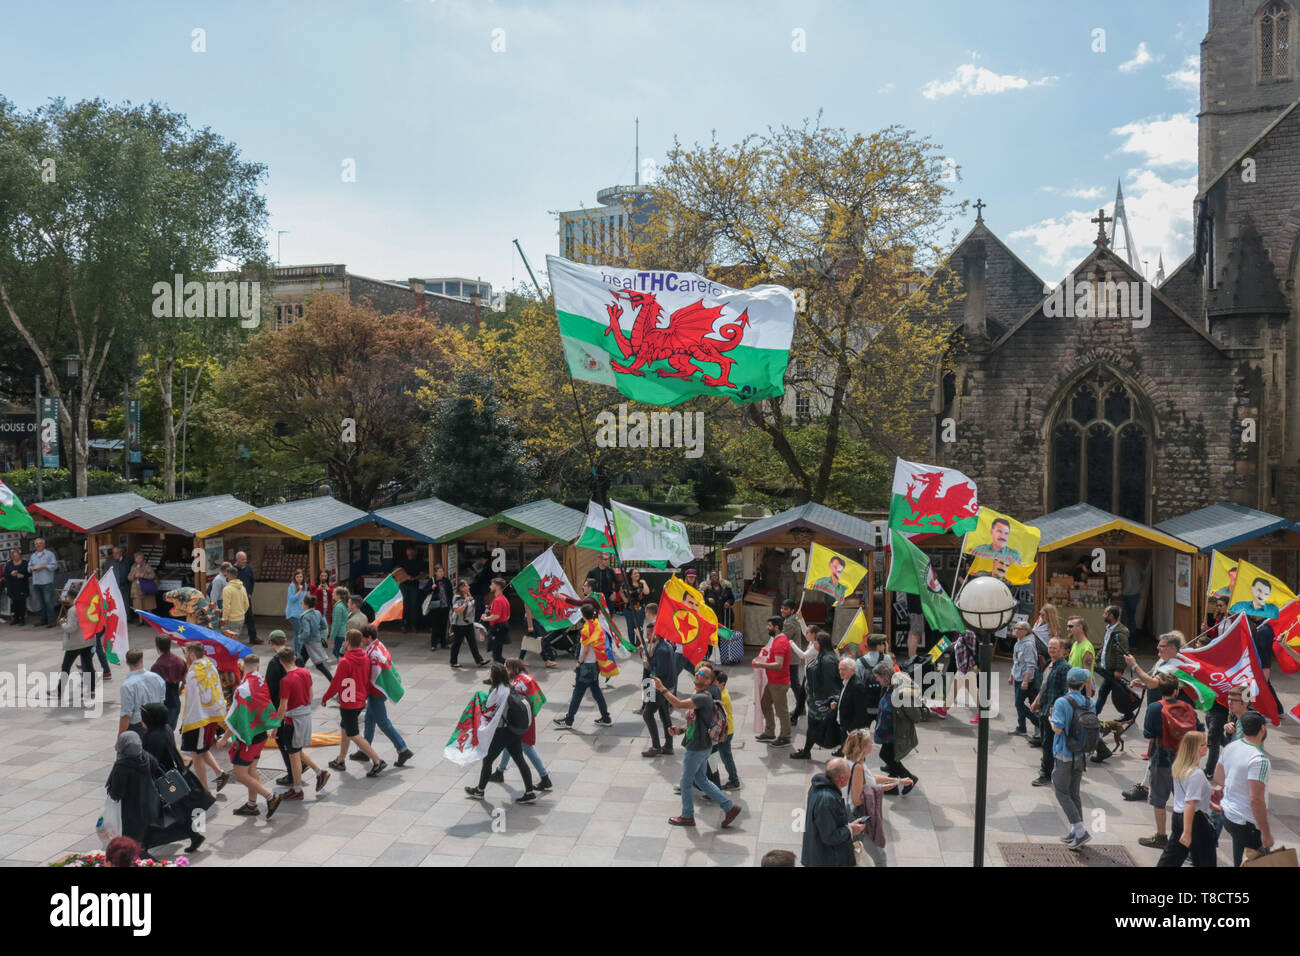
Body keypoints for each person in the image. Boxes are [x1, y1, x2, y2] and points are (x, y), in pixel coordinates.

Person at [653, 662, 741, 829]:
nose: (697, 674)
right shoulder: (700, 696)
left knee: (686, 781)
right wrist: (679, 730)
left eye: (702, 673)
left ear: (708, 681)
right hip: (701, 744)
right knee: (701, 779)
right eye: (698, 671)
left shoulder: (703, 697)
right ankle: (730, 807)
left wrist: (662, 689)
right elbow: (694, 722)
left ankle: (687, 816)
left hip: (698, 747)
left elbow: (678, 704)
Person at [1138, 674, 1201, 850]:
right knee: (1186, 800)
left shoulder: (1154, 708)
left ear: (1160, 690)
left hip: (1162, 761)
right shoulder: (1188, 708)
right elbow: (1200, 730)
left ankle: (1161, 836)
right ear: (1177, 690)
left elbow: (1148, 734)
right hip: (1185, 761)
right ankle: (1189, 836)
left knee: (1159, 800)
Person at [139, 701, 211, 854]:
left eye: (143, 718)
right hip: (171, 778)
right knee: (178, 812)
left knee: (155, 814)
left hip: (162, 780)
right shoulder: (164, 729)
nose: (141, 721)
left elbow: (153, 762)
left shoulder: (154, 737)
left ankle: (143, 847)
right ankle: (194, 836)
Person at [216, 655, 284, 819]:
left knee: (240, 773)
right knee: (252, 769)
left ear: (242, 667)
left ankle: (270, 796)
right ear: (258, 667)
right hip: (260, 732)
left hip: (248, 737)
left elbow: (237, 718)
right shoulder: (260, 680)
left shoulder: (243, 689)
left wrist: (224, 738)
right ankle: (252, 805)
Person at [464, 662, 538, 803]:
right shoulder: (510, 686)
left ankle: (479, 791)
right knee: (520, 760)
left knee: (488, 760)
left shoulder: (496, 692)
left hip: (503, 731)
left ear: (495, 677)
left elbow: (488, 712)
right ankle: (529, 792)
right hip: (513, 730)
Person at [322, 630, 386, 776]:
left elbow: (336, 683)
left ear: (347, 642)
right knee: (345, 728)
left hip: (348, 703)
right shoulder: (365, 657)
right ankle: (340, 760)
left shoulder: (345, 661)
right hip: (360, 700)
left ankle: (377, 760)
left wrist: (326, 697)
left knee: (353, 734)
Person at [1213, 711, 1273, 867]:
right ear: (1262, 729)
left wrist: (1235, 785)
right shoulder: (1259, 759)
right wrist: (1266, 834)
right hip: (1248, 821)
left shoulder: (1231, 747)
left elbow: (1218, 777)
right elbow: (1256, 800)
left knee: (1240, 859)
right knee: (1258, 862)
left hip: (1229, 814)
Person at [350, 623, 415, 766]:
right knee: (369, 720)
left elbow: (370, 675)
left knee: (383, 722)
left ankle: (403, 749)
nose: (361, 641)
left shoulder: (372, 653)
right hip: (380, 690)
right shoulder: (378, 646)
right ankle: (365, 750)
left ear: (369, 638)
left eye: (363, 638)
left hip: (376, 692)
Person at [842, 728, 909, 867]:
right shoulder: (857, 767)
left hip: (847, 814)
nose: (872, 743)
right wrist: (879, 790)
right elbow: (857, 799)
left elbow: (870, 779)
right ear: (862, 747)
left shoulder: (849, 761)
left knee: (853, 856)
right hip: (857, 816)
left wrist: (897, 781)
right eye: (869, 742)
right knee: (880, 857)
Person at [272, 648, 329, 800]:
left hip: (293, 722)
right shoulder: (305, 672)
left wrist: (276, 727)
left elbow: (282, 707)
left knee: (293, 756)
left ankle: (297, 790)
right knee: (297, 751)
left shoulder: (286, 680)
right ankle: (320, 773)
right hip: (305, 717)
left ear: (280, 661)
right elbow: (310, 697)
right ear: (295, 658)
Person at [1050, 667, 1096, 850]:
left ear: (1068, 683)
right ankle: (1075, 830)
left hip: (1064, 753)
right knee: (1074, 792)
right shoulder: (1089, 701)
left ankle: (1080, 831)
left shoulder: (1062, 702)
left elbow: (1058, 729)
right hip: (1081, 753)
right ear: (1082, 683)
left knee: (1061, 791)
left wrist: (1050, 719)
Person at [488, 659, 553, 790]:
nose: (505, 671)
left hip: (520, 720)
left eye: (506, 668)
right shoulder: (526, 678)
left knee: (527, 748)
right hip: (526, 717)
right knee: (509, 744)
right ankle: (500, 772)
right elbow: (539, 698)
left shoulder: (516, 682)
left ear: (512, 668)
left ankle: (545, 777)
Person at [1157, 731, 1216, 867]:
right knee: (1205, 860)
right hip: (1195, 820)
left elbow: (1188, 796)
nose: (1206, 747)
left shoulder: (1179, 768)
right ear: (1195, 748)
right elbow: (1190, 802)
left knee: (1171, 857)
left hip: (1179, 816)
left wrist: (1211, 804)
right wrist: (1188, 831)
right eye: (1203, 745)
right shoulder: (1197, 774)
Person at [179, 642, 231, 795]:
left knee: (196, 753)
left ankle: (204, 789)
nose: (185, 656)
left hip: (199, 719)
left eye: (186, 653)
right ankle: (220, 773)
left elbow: (193, 700)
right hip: (210, 716)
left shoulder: (195, 672)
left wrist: (187, 721)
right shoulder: (209, 665)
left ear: (192, 655)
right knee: (202, 750)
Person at [553, 600, 613, 729]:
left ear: (583, 615)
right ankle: (606, 717)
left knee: (578, 694)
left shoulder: (586, 629)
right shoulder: (597, 625)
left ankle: (569, 720)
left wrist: (579, 663)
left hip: (586, 665)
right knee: (596, 692)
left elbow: (585, 650)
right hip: (595, 664)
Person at [800, 756, 865, 867]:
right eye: (850, 774)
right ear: (842, 778)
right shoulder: (827, 800)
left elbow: (825, 824)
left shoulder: (817, 788)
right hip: (826, 860)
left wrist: (848, 826)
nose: (851, 776)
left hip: (817, 855)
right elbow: (829, 836)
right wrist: (851, 830)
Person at [105, 731, 163, 849]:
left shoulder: (121, 766)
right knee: (141, 837)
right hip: (151, 804)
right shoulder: (145, 756)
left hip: (132, 811)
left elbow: (117, 793)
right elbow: (156, 767)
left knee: (131, 842)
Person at [791, 629, 843, 759]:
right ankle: (807, 750)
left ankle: (808, 751)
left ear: (820, 643)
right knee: (813, 726)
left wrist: (830, 700)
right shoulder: (823, 656)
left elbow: (829, 682)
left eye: (815, 641)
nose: (813, 643)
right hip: (816, 700)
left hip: (822, 702)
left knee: (815, 726)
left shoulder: (827, 660)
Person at [873, 662, 920, 793]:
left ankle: (909, 778)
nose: (876, 679)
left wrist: (900, 714)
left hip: (896, 733)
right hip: (888, 732)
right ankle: (892, 788)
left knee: (886, 755)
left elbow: (916, 715)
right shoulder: (887, 687)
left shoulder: (900, 692)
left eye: (878, 677)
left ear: (885, 676)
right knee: (890, 757)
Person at [1029, 637, 1070, 786]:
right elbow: (1044, 687)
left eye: (1055, 648)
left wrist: (1058, 710)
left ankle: (1045, 774)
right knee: (1047, 742)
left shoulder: (1065, 668)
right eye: (1050, 647)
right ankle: (1049, 769)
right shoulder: (1048, 664)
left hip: (1054, 713)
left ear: (1063, 651)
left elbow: (1067, 692)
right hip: (1044, 709)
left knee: (1048, 743)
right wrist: (1036, 702)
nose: (1052, 650)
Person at [753, 614, 792, 747]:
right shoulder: (776, 639)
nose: (766, 628)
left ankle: (785, 737)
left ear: (776, 627)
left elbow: (779, 664)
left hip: (779, 682)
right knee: (765, 704)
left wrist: (760, 665)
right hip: (773, 681)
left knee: (782, 711)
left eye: (769, 626)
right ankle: (770, 732)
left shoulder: (780, 642)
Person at [641, 616, 677, 757]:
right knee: (664, 715)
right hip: (667, 686)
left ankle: (656, 746)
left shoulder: (662, 649)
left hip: (662, 687)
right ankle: (668, 745)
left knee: (647, 714)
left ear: (655, 634)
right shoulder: (662, 645)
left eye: (649, 634)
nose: (647, 637)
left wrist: (648, 666)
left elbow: (659, 672)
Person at [57, 591, 98, 703]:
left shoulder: (73, 610)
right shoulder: (89, 607)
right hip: (88, 641)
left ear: (71, 598)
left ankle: (60, 690)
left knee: (65, 666)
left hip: (75, 643)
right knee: (89, 666)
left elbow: (71, 628)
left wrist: (62, 623)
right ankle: (92, 690)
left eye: (68, 597)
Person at [1095, 604, 1134, 719]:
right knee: (1120, 692)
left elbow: (1123, 653)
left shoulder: (1120, 634)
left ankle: (1093, 715)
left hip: (1113, 670)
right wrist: (1097, 659)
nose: (1103, 615)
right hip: (1107, 668)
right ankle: (1128, 714)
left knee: (1103, 692)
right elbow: (1104, 647)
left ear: (1111, 616)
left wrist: (1119, 670)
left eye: (1105, 613)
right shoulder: (1109, 629)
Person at [118, 648, 166, 737]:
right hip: (156, 722)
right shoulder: (157, 678)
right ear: (141, 660)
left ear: (127, 663)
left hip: (137, 726)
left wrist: (120, 737)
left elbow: (126, 715)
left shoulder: (127, 685)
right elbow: (162, 702)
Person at [778, 599, 809, 724]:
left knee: (795, 683)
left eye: (785, 609)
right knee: (794, 683)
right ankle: (801, 708)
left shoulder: (790, 623)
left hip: (791, 658)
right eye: (782, 608)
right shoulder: (789, 620)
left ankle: (801, 708)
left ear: (792, 611)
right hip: (791, 657)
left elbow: (782, 638)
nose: (782, 610)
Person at [1009, 620, 1039, 735]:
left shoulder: (1028, 644)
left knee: (1019, 703)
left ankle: (1037, 722)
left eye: (1019, 628)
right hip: (1017, 677)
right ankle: (1021, 727)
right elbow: (1016, 662)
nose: (1016, 630)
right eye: (1015, 628)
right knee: (1018, 703)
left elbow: (1031, 664)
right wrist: (1011, 676)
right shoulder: (1018, 642)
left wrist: (1026, 681)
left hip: (1025, 679)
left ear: (1026, 631)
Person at [449, 579, 486, 668]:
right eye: (466, 585)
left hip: (468, 623)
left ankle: (479, 661)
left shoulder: (468, 594)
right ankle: (453, 661)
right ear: (462, 588)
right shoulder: (457, 597)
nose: (469, 587)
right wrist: (465, 603)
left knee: (472, 642)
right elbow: (457, 611)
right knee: (457, 643)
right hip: (458, 624)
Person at [151, 634, 187, 729]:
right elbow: (185, 679)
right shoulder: (180, 661)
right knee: (170, 731)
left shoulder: (156, 666)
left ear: (157, 647)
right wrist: (180, 690)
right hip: (175, 701)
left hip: (162, 705)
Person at [713, 668, 741, 790]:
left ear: (722, 684)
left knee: (726, 757)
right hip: (726, 730)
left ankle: (734, 781)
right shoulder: (722, 692)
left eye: (714, 682)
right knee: (725, 756)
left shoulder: (722, 697)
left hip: (725, 731)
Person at [295, 594, 334, 681]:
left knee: (302, 664)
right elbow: (324, 626)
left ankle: (296, 682)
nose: (301, 603)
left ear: (305, 604)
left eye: (302, 601)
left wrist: (300, 638)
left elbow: (306, 632)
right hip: (315, 643)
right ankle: (297, 681)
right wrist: (322, 637)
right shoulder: (318, 613)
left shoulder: (305, 617)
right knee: (301, 663)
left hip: (309, 643)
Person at [946, 628, 980, 723]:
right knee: (953, 690)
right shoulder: (961, 638)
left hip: (969, 669)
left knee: (973, 692)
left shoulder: (970, 634)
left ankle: (982, 714)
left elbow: (962, 631)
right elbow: (954, 645)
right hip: (962, 669)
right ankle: (943, 709)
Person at [836, 655, 872, 739]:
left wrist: (851, 731)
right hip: (844, 726)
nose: (840, 672)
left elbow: (860, 712)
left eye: (843, 669)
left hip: (851, 731)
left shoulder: (857, 686)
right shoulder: (845, 681)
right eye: (840, 669)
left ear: (853, 670)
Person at [480, 576, 512, 665]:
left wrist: (485, 618)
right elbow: (507, 616)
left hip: (497, 628)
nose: (490, 586)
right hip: (502, 626)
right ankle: (509, 666)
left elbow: (496, 616)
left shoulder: (498, 600)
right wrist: (490, 612)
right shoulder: (504, 599)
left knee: (497, 656)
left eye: (492, 584)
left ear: (497, 587)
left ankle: (510, 666)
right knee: (497, 654)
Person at [27, 538, 59, 627]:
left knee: (48, 601)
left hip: (46, 582)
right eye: (36, 544)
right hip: (36, 582)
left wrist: (44, 567)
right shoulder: (33, 556)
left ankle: (52, 620)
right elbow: (28, 568)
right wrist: (31, 569)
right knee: (41, 602)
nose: (38, 545)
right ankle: (43, 619)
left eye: (40, 543)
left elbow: (55, 565)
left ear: (44, 545)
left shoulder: (49, 554)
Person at [395, 546, 427, 633]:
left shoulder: (419, 561)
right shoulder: (403, 560)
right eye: (409, 551)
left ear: (415, 552)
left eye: (412, 551)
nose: (410, 552)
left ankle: (414, 625)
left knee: (414, 606)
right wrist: (406, 577)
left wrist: (415, 578)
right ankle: (403, 625)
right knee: (403, 605)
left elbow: (423, 573)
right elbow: (397, 572)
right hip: (403, 585)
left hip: (414, 585)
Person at [1065, 616, 1095, 696]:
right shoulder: (1075, 644)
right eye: (1067, 626)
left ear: (1080, 627)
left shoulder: (1087, 648)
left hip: (1081, 690)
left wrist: (1088, 700)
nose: (1068, 629)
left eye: (1071, 626)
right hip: (1072, 688)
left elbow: (1088, 676)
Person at [234, 551, 259, 644]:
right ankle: (234, 638)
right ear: (237, 560)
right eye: (242, 559)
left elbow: (252, 581)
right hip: (237, 599)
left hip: (247, 598)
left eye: (245, 559)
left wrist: (250, 592)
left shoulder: (248, 568)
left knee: (250, 617)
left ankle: (253, 637)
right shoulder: (233, 570)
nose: (245, 561)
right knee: (237, 619)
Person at [220, 564, 250, 642]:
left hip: (231, 619)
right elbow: (246, 604)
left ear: (228, 575)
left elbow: (226, 606)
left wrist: (225, 619)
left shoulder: (227, 589)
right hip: (241, 618)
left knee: (227, 642)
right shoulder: (242, 587)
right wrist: (241, 613)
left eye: (226, 575)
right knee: (235, 640)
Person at [621, 567, 650, 645]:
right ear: (630, 576)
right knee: (631, 628)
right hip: (629, 610)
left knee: (639, 627)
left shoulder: (641, 584)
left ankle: (638, 644)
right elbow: (621, 591)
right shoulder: (626, 584)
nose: (637, 574)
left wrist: (644, 583)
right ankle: (632, 644)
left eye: (638, 573)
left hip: (640, 609)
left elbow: (647, 592)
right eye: (635, 573)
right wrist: (624, 598)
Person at [427, 564, 453, 650]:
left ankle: (443, 643)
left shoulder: (446, 581)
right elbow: (424, 591)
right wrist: (431, 588)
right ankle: (433, 644)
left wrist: (451, 604)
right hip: (435, 607)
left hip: (445, 606)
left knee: (444, 625)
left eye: (442, 571)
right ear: (435, 572)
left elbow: (450, 592)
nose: (441, 573)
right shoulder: (432, 581)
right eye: (439, 571)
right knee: (435, 626)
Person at [126, 551, 156, 621]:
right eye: (137, 558)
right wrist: (134, 576)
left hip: (146, 589)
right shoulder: (133, 567)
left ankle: (150, 621)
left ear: (142, 558)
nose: (138, 560)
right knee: (138, 606)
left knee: (148, 605)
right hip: (136, 590)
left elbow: (153, 575)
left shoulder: (146, 566)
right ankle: (140, 621)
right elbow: (129, 577)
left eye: (140, 558)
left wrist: (143, 575)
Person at [2, 547, 29, 625]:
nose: (15, 557)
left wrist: (23, 575)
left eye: (16, 555)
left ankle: (22, 619)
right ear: (12, 556)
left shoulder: (24, 563)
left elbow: (29, 573)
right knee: (14, 603)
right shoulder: (9, 564)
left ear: (19, 555)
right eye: (13, 555)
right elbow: (5, 575)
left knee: (22, 603)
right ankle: (16, 618)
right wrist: (10, 574)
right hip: (12, 586)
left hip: (22, 585)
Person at [285, 569, 307, 652]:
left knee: (298, 632)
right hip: (292, 613)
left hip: (301, 612)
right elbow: (291, 599)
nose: (299, 578)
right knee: (299, 632)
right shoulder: (292, 586)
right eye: (297, 577)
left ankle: (298, 651)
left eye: (301, 576)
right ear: (294, 577)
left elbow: (304, 598)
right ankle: (298, 652)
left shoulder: (305, 585)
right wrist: (299, 591)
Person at [329, 587, 350, 659]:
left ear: (338, 595)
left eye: (333, 593)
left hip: (340, 634)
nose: (332, 594)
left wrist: (332, 636)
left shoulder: (338, 607)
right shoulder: (344, 604)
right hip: (345, 632)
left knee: (337, 653)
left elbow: (336, 624)